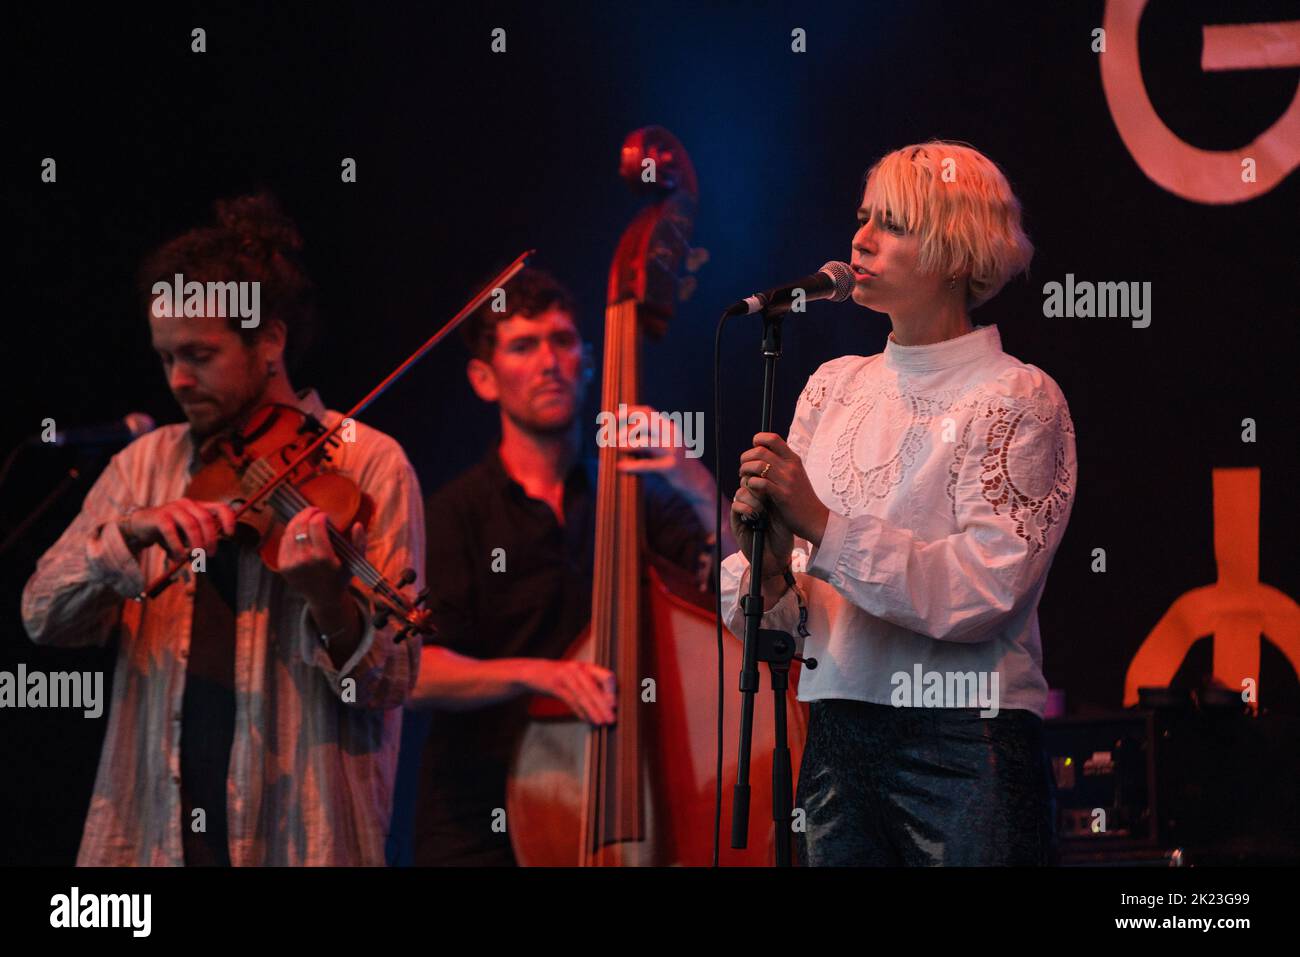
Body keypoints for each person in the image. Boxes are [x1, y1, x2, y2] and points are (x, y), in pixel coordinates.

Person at [21, 193, 424, 865]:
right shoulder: (143, 466)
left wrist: (331, 600)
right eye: (164, 358)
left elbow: (385, 685)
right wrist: (127, 536)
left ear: (269, 341)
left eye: (200, 355)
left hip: (299, 842)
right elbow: (41, 615)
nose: (178, 380)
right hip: (153, 839)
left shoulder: (367, 461)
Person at [724, 141, 1076, 866]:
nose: (859, 239)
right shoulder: (832, 385)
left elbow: (985, 591)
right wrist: (764, 572)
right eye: (861, 218)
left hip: (961, 745)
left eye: (894, 223)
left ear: (955, 250)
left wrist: (820, 522)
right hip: (833, 740)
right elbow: (802, 608)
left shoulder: (1018, 396)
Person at [406, 268, 732, 866]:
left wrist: (696, 482)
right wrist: (543, 675)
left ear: (587, 361)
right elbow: (415, 673)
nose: (549, 362)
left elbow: (736, 590)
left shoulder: (635, 495)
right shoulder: (453, 514)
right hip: (477, 828)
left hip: (626, 810)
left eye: (562, 341)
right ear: (484, 378)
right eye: (524, 346)